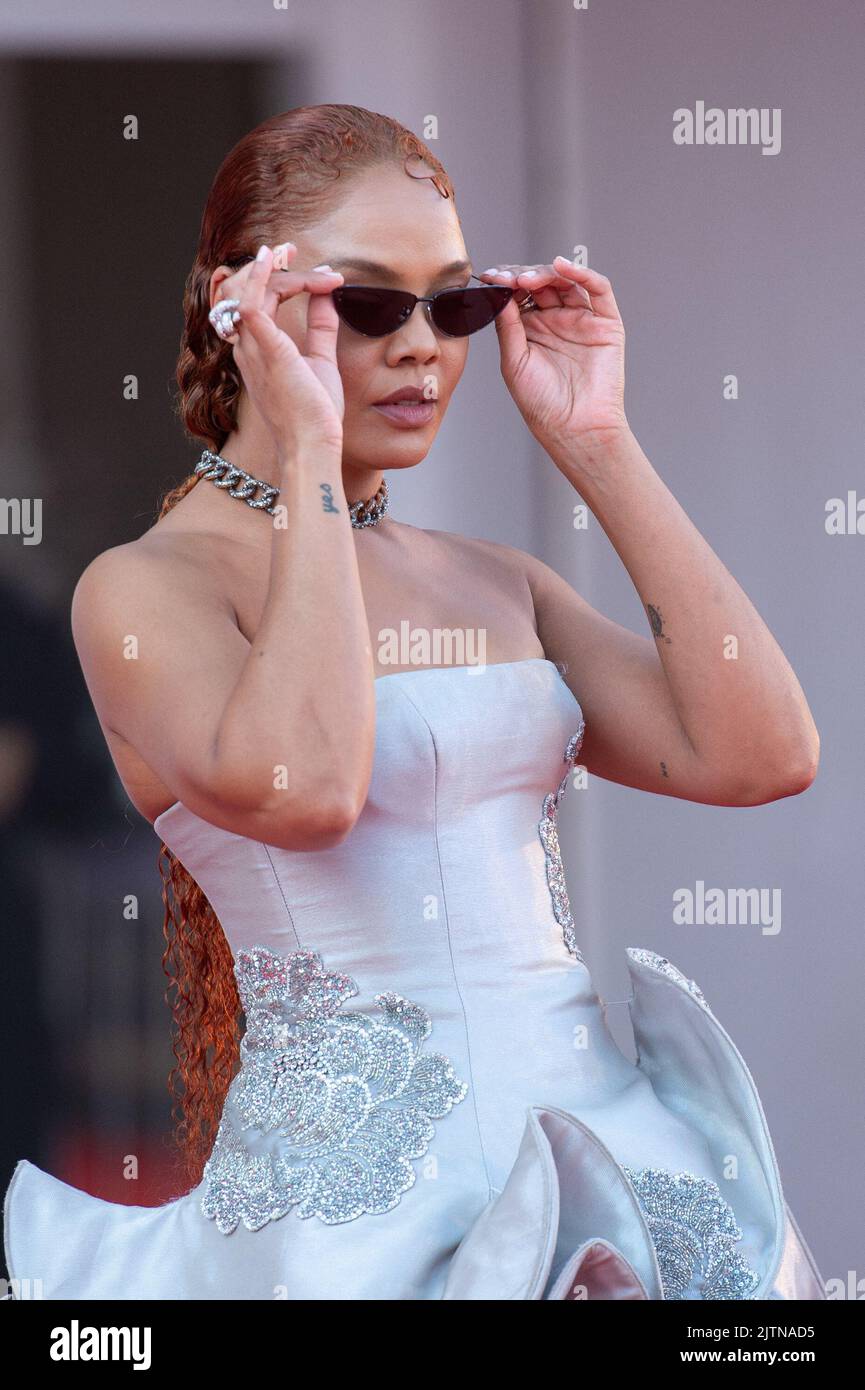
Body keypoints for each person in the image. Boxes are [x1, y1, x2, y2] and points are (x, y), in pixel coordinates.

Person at [2, 104, 825, 1301]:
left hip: (603, 1163)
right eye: (369, 304)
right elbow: (313, 790)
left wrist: (598, 442)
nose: (422, 346)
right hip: (356, 1226)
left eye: (456, 304)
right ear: (245, 308)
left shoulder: (491, 579)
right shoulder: (143, 587)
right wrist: (303, 451)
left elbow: (761, 752)